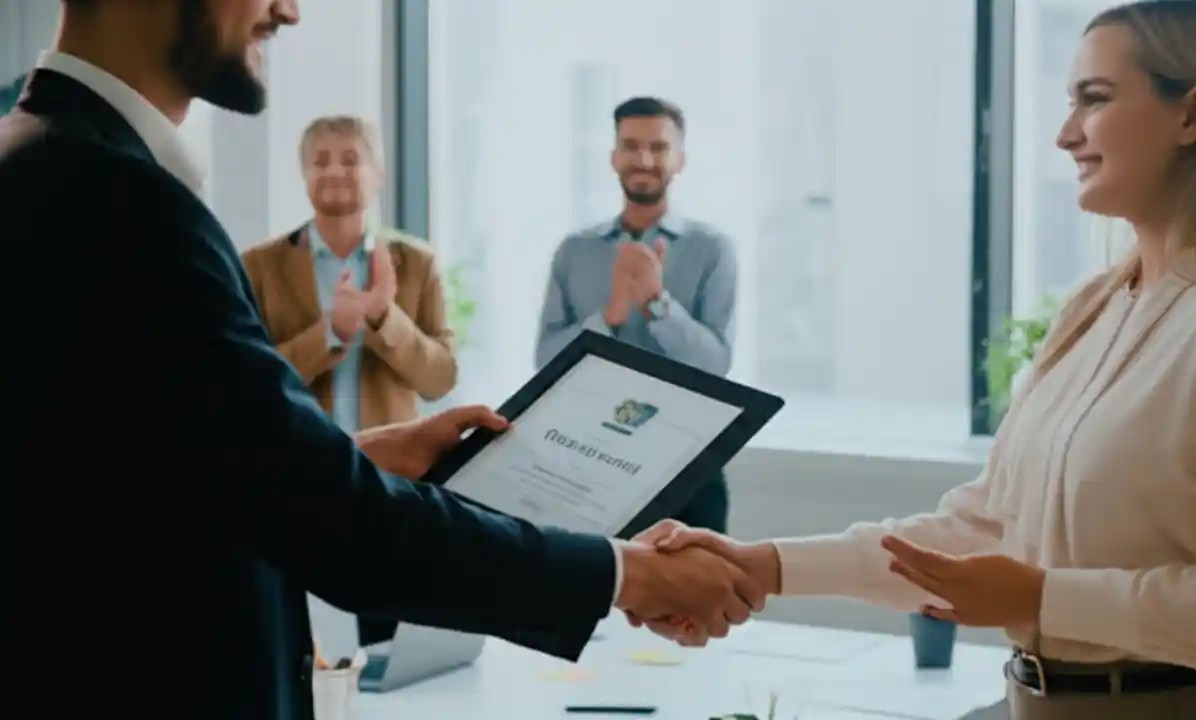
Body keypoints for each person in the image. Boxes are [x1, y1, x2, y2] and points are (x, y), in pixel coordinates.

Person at [0, 2, 764, 718]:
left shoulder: (44, 159)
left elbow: (154, 471)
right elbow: (336, 522)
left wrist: (358, 455)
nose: (288, 10)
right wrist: (624, 574)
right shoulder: (122, 202)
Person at [636, 1, 1196, 718]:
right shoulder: (1093, 307)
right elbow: (981, 526)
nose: (1066, 134)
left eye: (1095, 100)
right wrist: (763, 565)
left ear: (1194, 114)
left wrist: (1043, 597)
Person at [242, 116, 457, 645]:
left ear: (377, 173)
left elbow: (440, 378)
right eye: (320, 161)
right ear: (303, 174)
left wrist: (384, 317)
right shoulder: (259, 266)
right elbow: (249, 381)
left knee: (386, 634)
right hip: (296, 475)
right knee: (295, 635)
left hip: (390, 482)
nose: (334, 171)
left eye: (350, 159)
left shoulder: (417, 264)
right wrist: (330, 335)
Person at [535, 95, 739, 532]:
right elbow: (546, 362)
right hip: (588, 460)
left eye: (659, 147)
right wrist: (609, 315)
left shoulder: (712, 250)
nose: (643, 160)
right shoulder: (575, 251)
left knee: (694, 576)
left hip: (687, 464)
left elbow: (715, 365)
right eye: (630, 146)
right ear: (614, 157)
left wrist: (656, 303)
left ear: (679, 159)